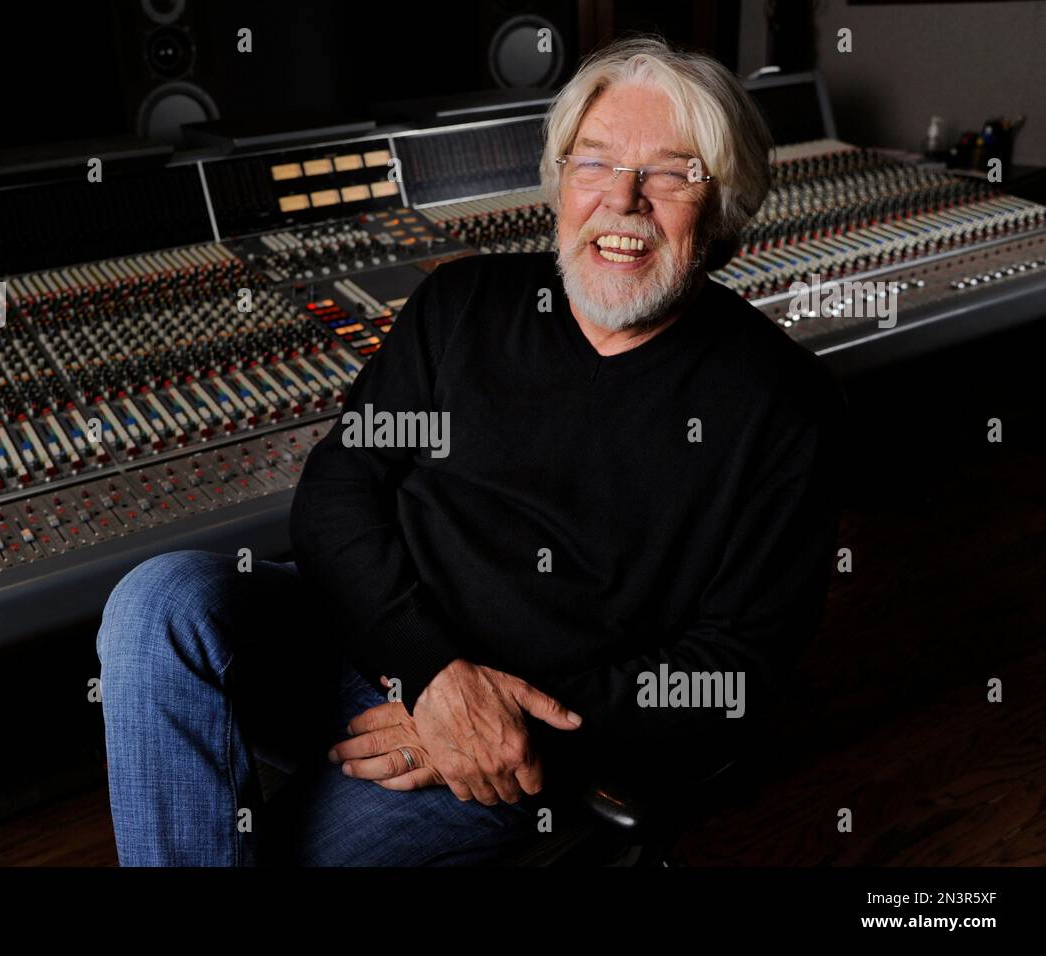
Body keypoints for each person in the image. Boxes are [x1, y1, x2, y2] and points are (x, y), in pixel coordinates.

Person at [96, 35, 847, 866]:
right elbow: (340, 489)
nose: (622, 201)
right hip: (365, 645)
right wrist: (432, 675)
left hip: (520, 733)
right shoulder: (463, 304)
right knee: (160, 601)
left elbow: (733, 670)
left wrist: (501, 722)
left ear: (724, 204)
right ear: (561, 179)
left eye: (671, 173)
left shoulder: (781, 405)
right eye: (593, 162)